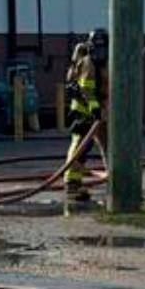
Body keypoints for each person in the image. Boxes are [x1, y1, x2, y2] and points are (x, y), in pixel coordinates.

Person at [60, 30, 108, 203]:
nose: (101, 52)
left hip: (99, 110)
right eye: (98, 47)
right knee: (81, 146)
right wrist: (94, 107)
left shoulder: (104, 61)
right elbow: (86, 88)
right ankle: (72, 183)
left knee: (107, 145)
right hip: (83, 110)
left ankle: (115, 179)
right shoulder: (88, 62)